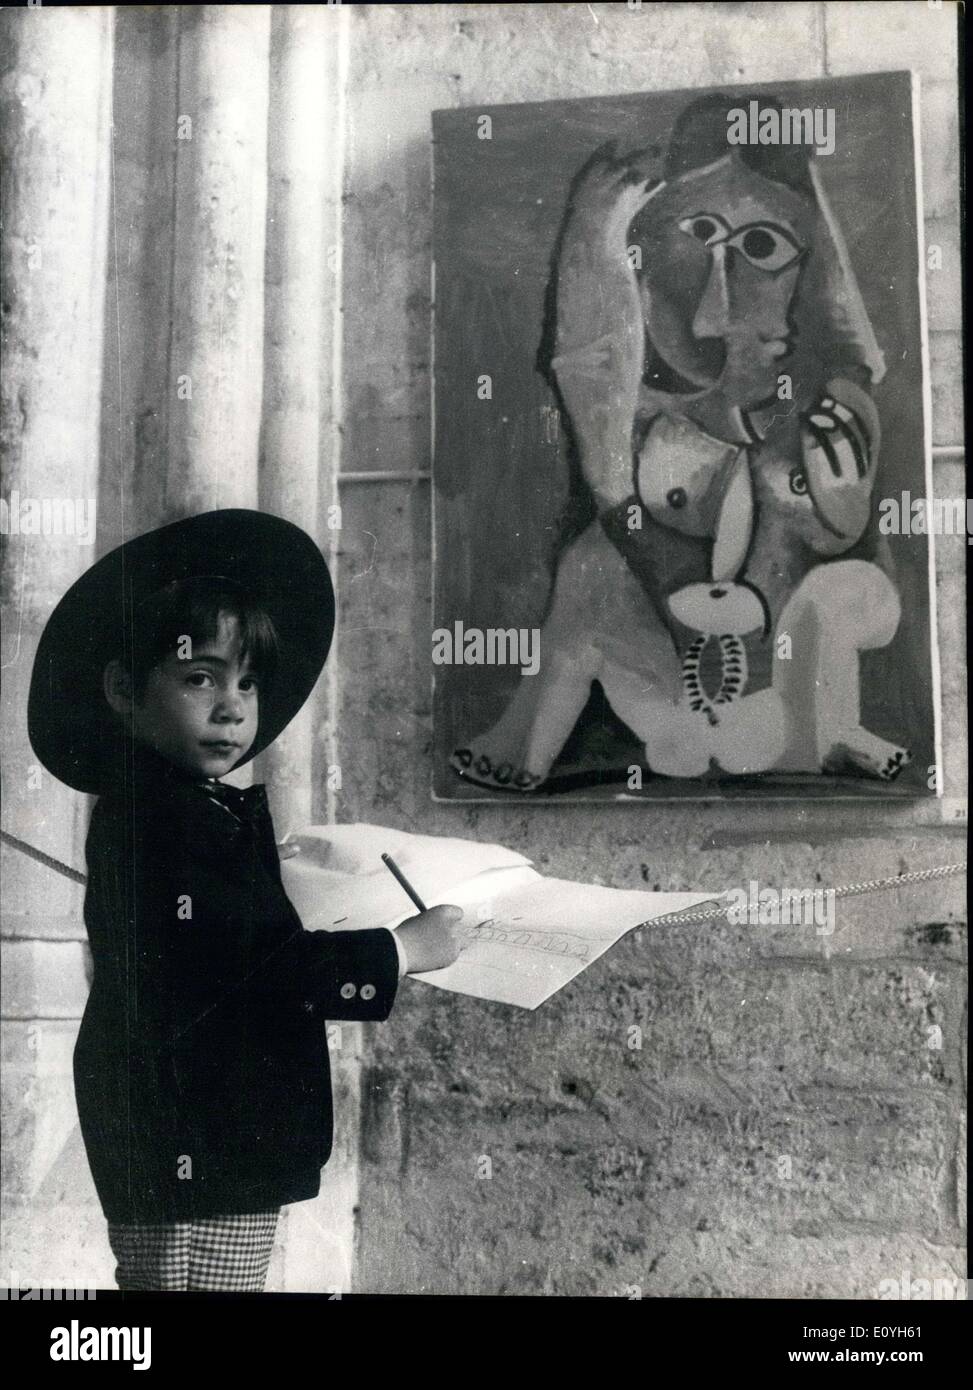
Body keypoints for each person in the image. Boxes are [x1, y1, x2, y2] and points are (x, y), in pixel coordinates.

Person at [27, 508, 462, 1291]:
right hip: (188, 1129)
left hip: (215, 1125)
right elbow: (247, 969)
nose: (232, 707)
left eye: (248, 682)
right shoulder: (158, 815)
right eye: (200, 677)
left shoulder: (186, 808)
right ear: (124, 690)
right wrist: (399, 949)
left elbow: (223, 943)